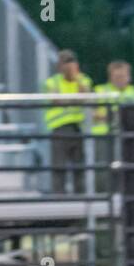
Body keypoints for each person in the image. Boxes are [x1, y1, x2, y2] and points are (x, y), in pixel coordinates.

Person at [42, 50, 94, 194]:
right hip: (59, 128)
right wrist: (75, 99)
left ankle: (81, 197)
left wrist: (76, 78)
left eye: (71, 62)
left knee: (80, 167)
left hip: (78, 128)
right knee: (59, 167)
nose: (68, 66)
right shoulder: (52, 82)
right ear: (59, 66)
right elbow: (56, 100)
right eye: (65, 62)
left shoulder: (83, 79)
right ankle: (58, 199)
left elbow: (86, 96)